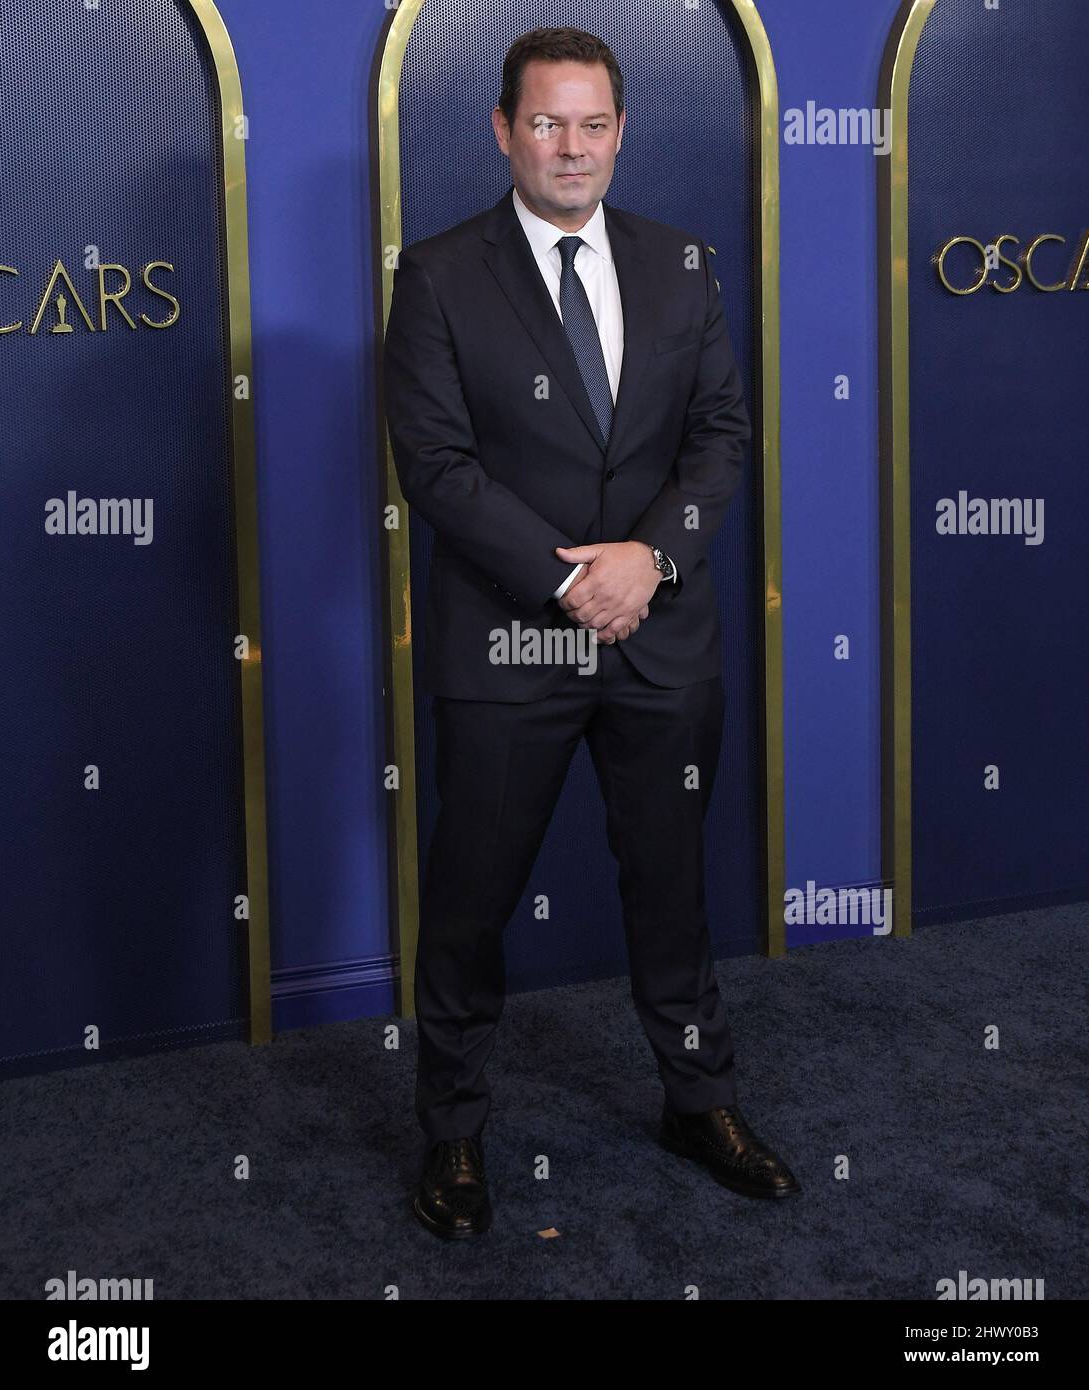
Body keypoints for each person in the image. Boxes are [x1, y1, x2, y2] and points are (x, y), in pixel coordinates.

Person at [382, 26, 800, 1240]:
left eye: (594, 123)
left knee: (671, 889)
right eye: (548, 122)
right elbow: (438, 468)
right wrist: (574, 586)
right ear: (504, 131)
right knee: (470, 899)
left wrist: (650, 561)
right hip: (512, 646)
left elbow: (719, 436)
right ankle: (453, 1130)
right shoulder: (440, 273)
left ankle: (697, 1098)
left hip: (661, 639)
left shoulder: (680, 263)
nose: (573, 147)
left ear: (621, 128)